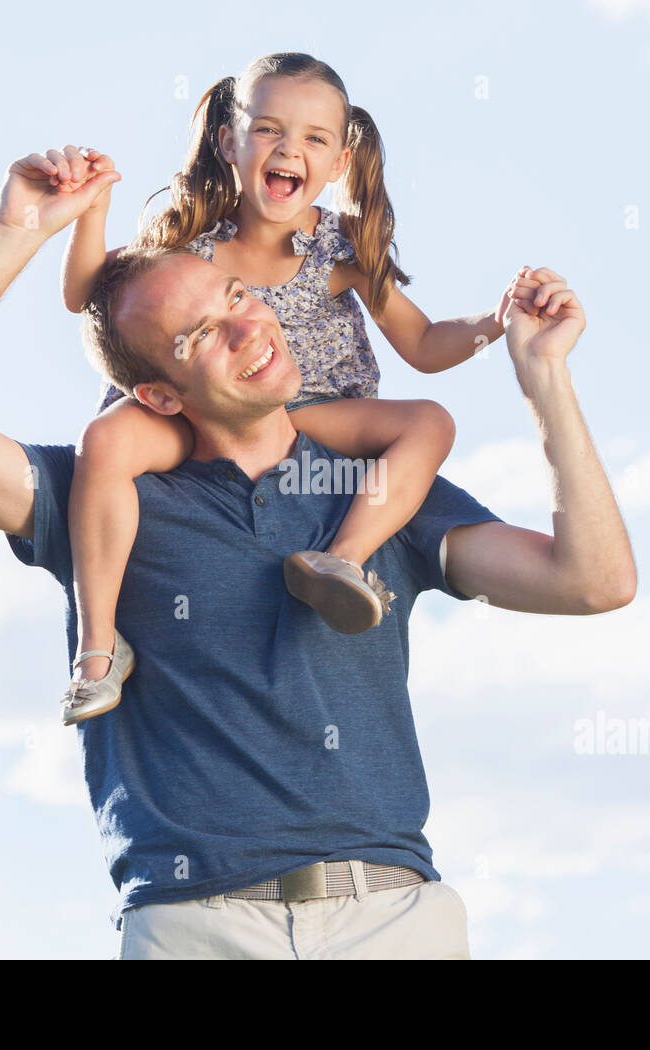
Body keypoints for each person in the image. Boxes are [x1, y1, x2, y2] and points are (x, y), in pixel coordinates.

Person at [0, 147, 637, 960]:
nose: (247, 328)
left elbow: (596, 582)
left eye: (235, 297)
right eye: (199, 336)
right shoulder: (102, 498)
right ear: (157, 395)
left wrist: (545, 378)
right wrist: (16, 230)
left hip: (392, 918)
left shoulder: (379, 488)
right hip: (198, 926)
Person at [51, 53, 516, 726]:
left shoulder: (342, 246)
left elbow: (423, 346)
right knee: (105, 440)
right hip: (207, 409)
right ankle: (97, 649)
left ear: (337, 164)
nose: (288, 149)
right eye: (268, 128)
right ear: (228, 142)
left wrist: (496, 322)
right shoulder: (185, 238)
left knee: (431, 423)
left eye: (314, 138)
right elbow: (85, 295)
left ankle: (341, 562)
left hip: (316, 413)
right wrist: (91, 210)